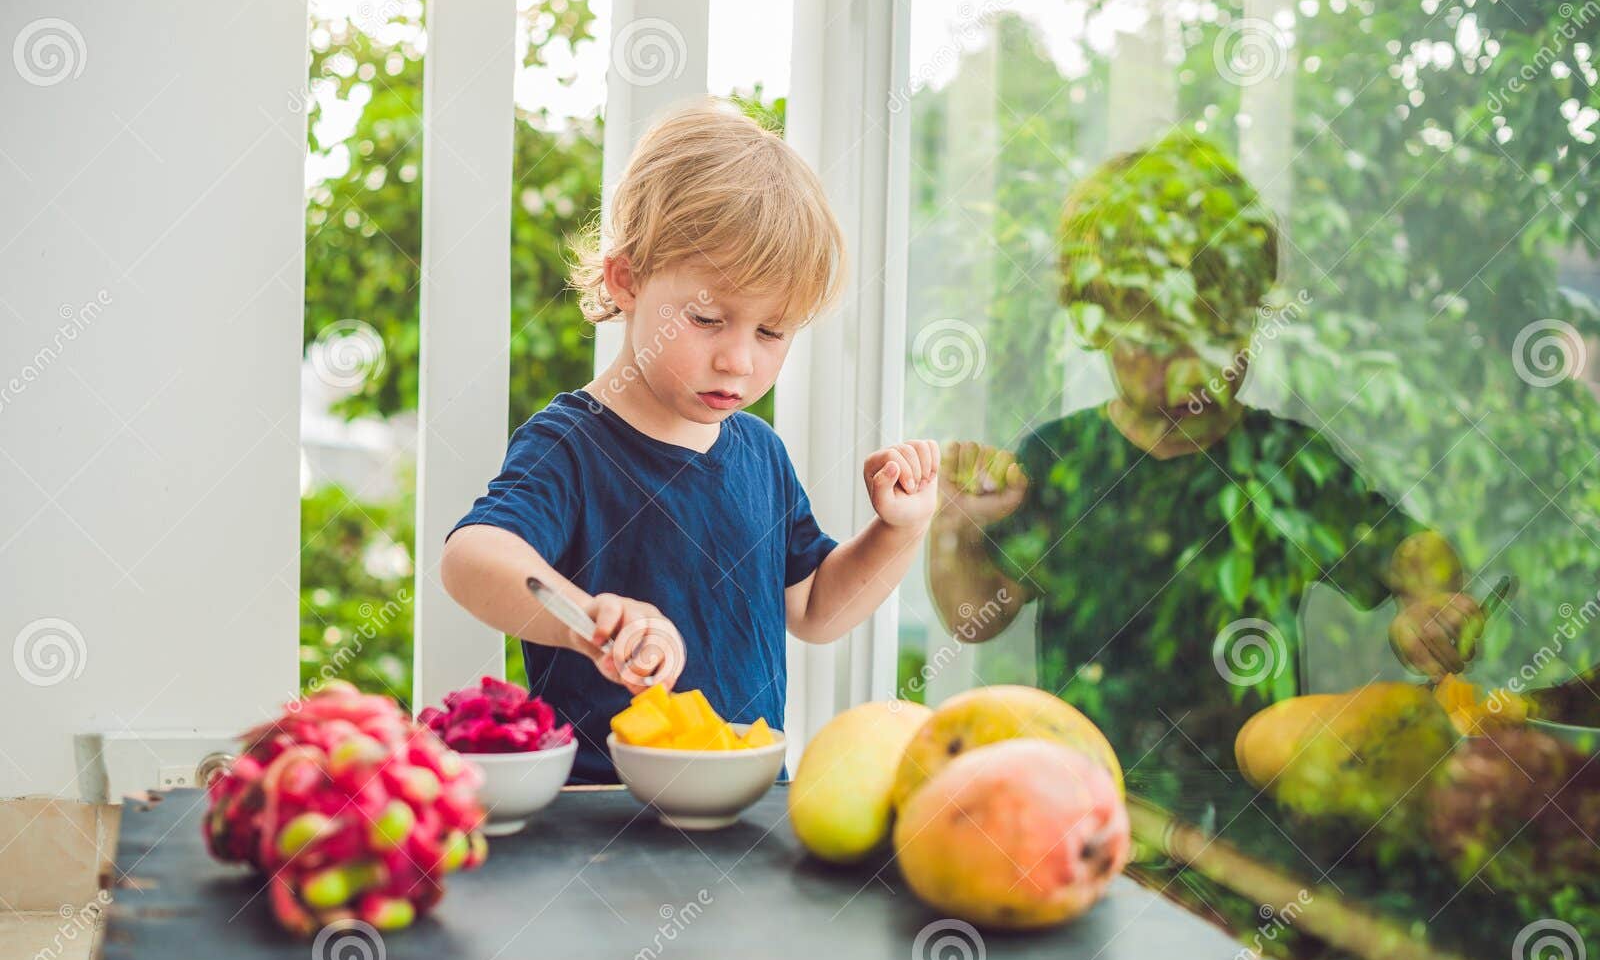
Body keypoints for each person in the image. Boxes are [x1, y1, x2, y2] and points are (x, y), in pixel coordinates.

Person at [926, 130, 1483, 775]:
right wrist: (958, 527)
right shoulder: (1059, 459)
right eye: (1155, 336)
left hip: (1260, 808)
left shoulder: (1287, 461)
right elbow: (973, 618)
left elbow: (1410, 554)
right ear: (1101, 322)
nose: (1189, 366)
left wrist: (1428, 605)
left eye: (1216, 332)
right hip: (1085, 798)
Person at [442, 100, 939, 783]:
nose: (740, 360)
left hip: (747, 804)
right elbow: (472, 556)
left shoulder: (761, 453)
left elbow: (818, 607)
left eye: (772, 332)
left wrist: (899, 531)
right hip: (602, 818)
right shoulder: (572, 445)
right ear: (627, 280)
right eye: (708, 318)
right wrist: (585, 618)